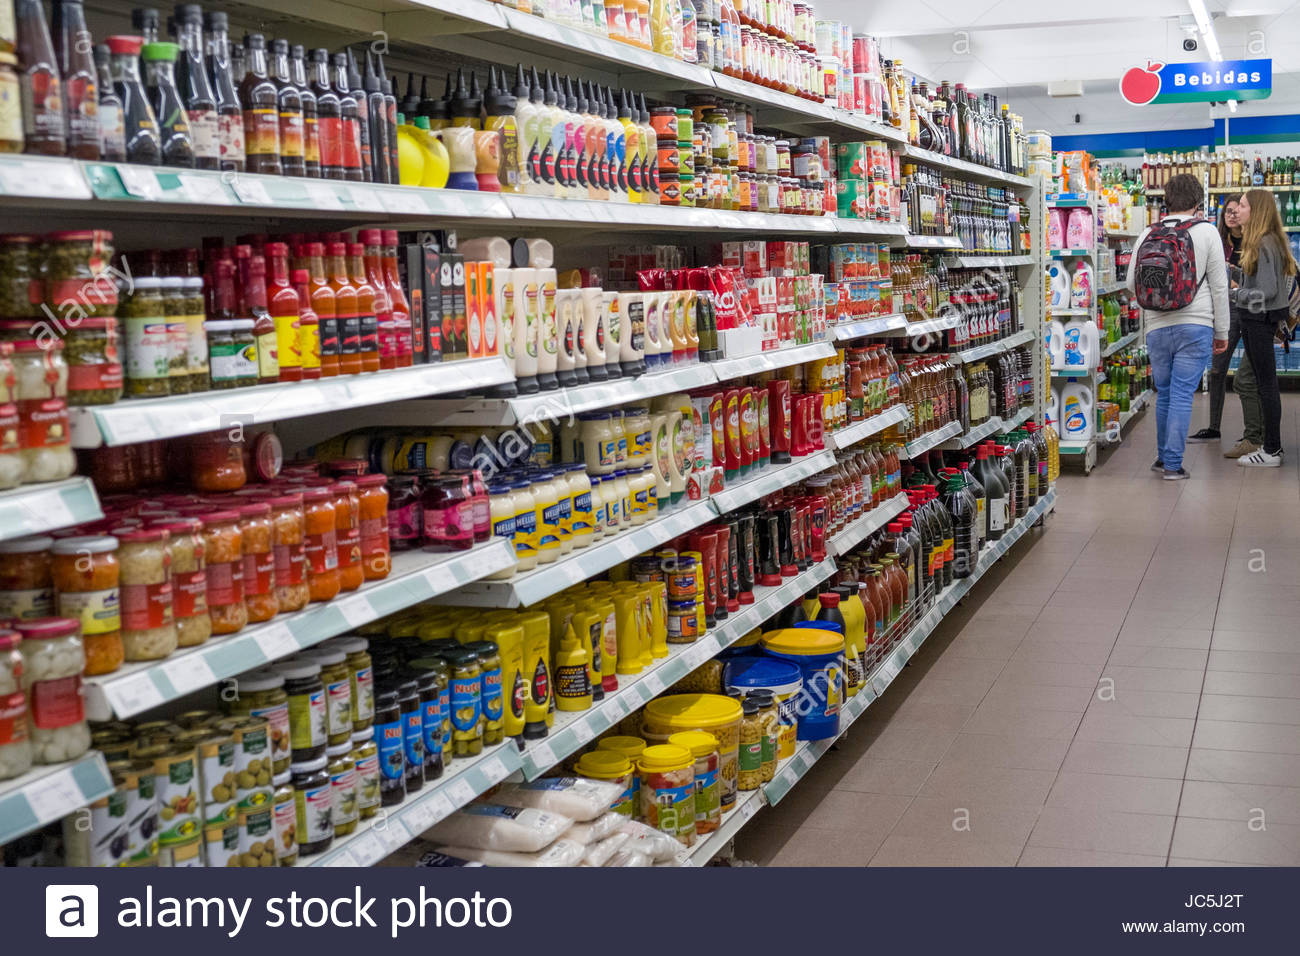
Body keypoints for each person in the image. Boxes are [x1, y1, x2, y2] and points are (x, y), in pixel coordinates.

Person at [1126, 173, 1230, 480]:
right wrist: (1222, 332)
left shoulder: (1148, 232)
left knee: (1166, 393)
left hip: (1156, 326)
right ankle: (1173, 465)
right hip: (1196, 325)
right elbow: (1220, 288)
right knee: (1184, 394)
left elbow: (1132, 283)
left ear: (1166, 200)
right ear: (1198, 203)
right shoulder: (1208, 232)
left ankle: (1162, 458)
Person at [1190, 194, 1264, 457]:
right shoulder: (1219, 242)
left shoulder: (1256, 240)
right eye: (1228, 212)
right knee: (1218, 369)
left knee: (1251, 375)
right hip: (1228, 309)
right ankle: (1213, 427)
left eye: (1237, 210)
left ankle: (1254, 434)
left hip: (1253, 308)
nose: (1232, 215)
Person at [1228, 188, 1294, 467]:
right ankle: (1270, 447)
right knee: (1263, 383)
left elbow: (1266, 291)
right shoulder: (1267, 241)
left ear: (1255, 211)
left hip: (1259, 319)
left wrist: (1236, 294)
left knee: (1265, 384)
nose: (1236, 211)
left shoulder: (1264, 244)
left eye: (1242, 206)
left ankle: (1271, 449)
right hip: (1258, 319)